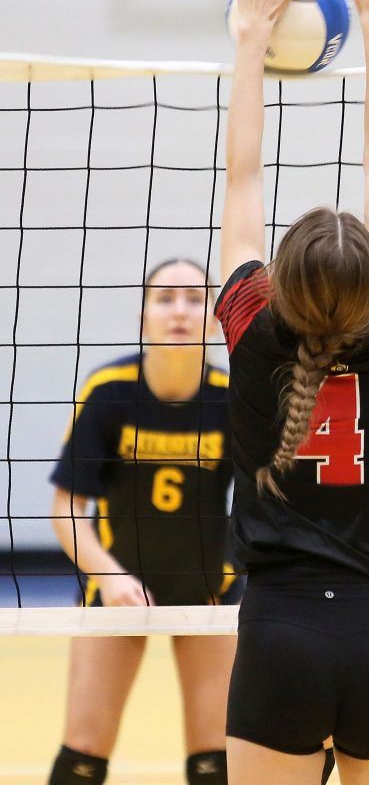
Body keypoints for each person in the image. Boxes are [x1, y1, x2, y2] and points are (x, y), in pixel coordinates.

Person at [209, 0, 369, 784]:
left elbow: (241, 178)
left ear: (279, 276)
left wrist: (248, 40)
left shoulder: (251, 324)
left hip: (277, 636)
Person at [48, 258, 240, 785]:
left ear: (215, 318)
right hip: (117, 586)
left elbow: (265, 503)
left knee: (215, 762)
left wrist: (229, 572)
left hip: (209, 591)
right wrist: (108, 578)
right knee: (82, 756)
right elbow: (67, 508)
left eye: (195, 299)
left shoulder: (232, 398)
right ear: (143, 317)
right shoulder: (110, 391)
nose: (179, 311)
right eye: (165, 298)